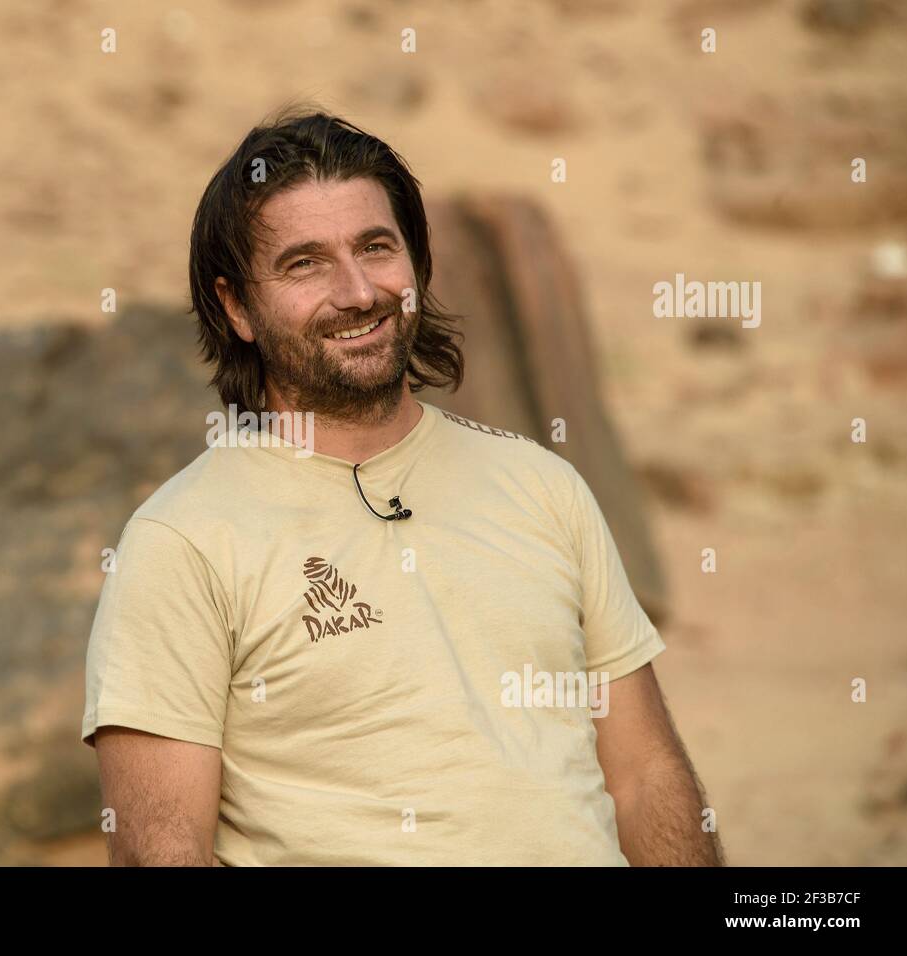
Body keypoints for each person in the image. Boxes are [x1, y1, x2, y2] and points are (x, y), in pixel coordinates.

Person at [80, 105, 724, 867]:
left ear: (417, 265)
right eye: (305, 263)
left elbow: (647, 778)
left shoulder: (543, 486)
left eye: (376, 248)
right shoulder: (182, 540)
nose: (358, 292)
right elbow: (159, 850)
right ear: (235, 307)